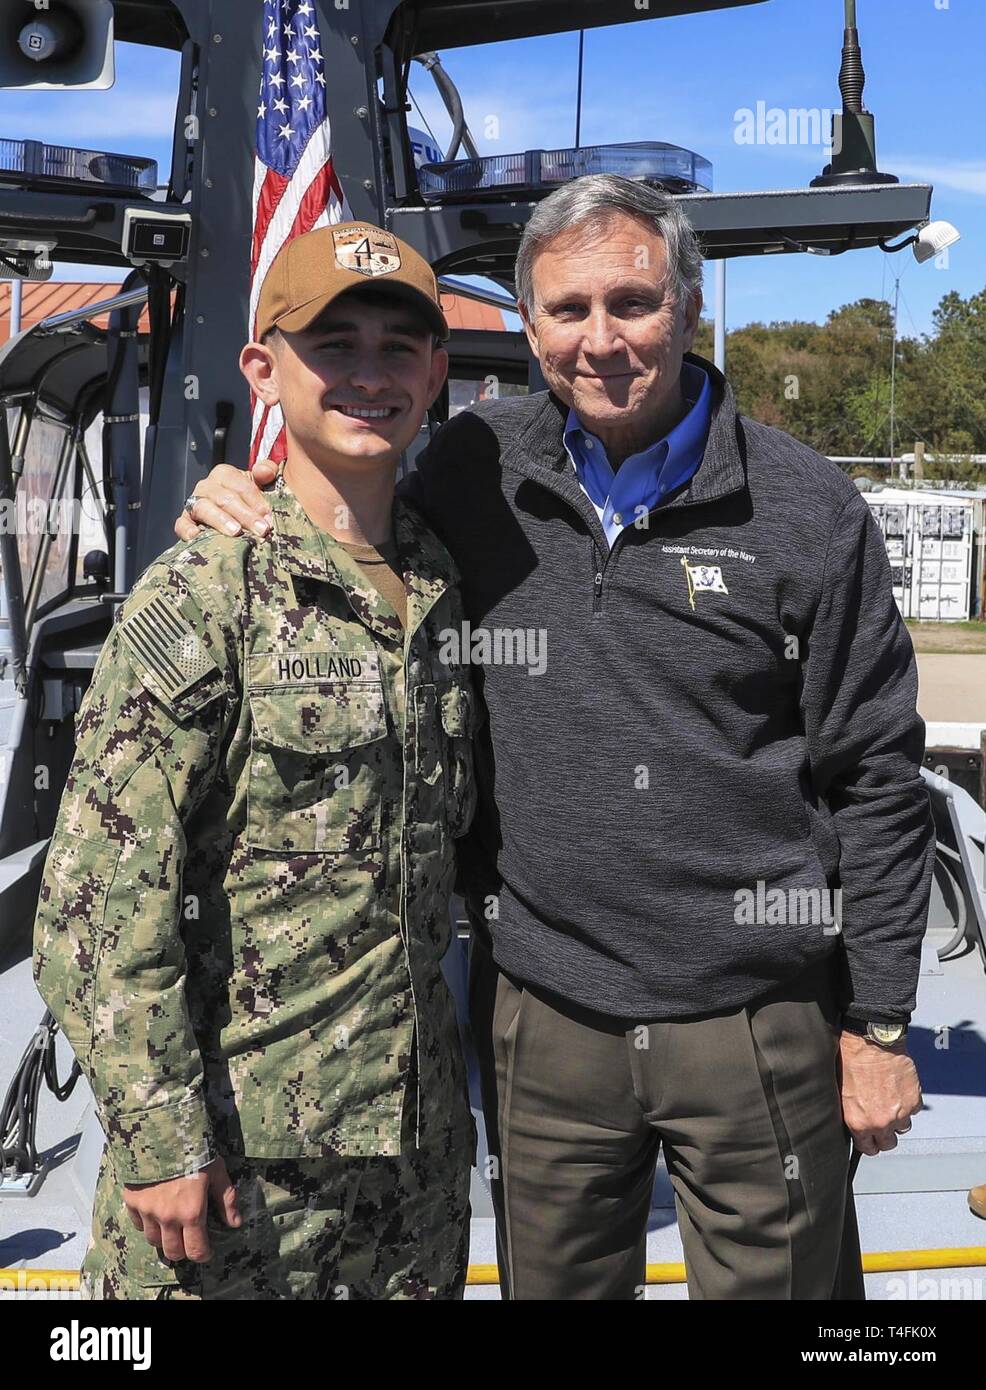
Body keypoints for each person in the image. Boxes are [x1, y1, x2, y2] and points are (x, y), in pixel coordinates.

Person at [177, 175, 934, 1301]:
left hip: (752, 1015)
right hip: (543, 1012)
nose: (600, 341)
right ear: (527, 327)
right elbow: (348, 517)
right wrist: (237, 493)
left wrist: (874, 1020)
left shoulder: (805, 510)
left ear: (685, 306)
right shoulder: (473, 469)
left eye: (630, 303)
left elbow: (874, 774)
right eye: (565, 312)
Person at [34, 221, 480, 1300]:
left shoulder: (441, 582)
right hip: (236, 1175)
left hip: (410, 1174)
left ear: (436, 371)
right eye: (333, 346)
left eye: (395, 346)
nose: (367, 375)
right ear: (262, 368)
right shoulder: (204, 593)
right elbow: (98, 900)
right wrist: (160, 1141)